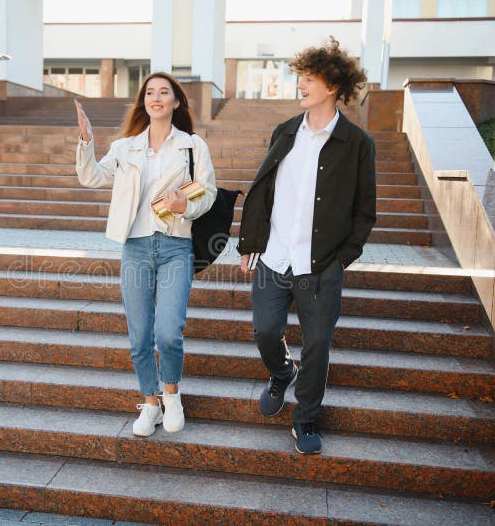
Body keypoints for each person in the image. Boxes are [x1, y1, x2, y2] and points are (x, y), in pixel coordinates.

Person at [238, 38, 376, 454]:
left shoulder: (356, 144)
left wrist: (341, 261)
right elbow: (263, 191)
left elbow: (364, 211)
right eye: (301, 76)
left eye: (310, 78)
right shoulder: (285, 132)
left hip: (321, 266)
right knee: (265, 331)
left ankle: (306, 420)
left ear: (333, 85)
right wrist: (251, 241)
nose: (301, 84)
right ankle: (282, 373)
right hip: (274, 256)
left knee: (317, 345)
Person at [74, 72, 217, 437]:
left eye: (163, 92)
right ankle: (150, 402)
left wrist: (185, 204)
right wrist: (86, 140)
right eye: (150, 92)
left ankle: (172, 393)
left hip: (175, 246)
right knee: (139, 336)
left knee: (169, 332)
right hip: (135, 246)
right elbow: (92, 178)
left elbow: (208, 193)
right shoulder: (126, 148)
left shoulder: (192, 146)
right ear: (143, 102)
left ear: (176, 102)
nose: (156, 97)